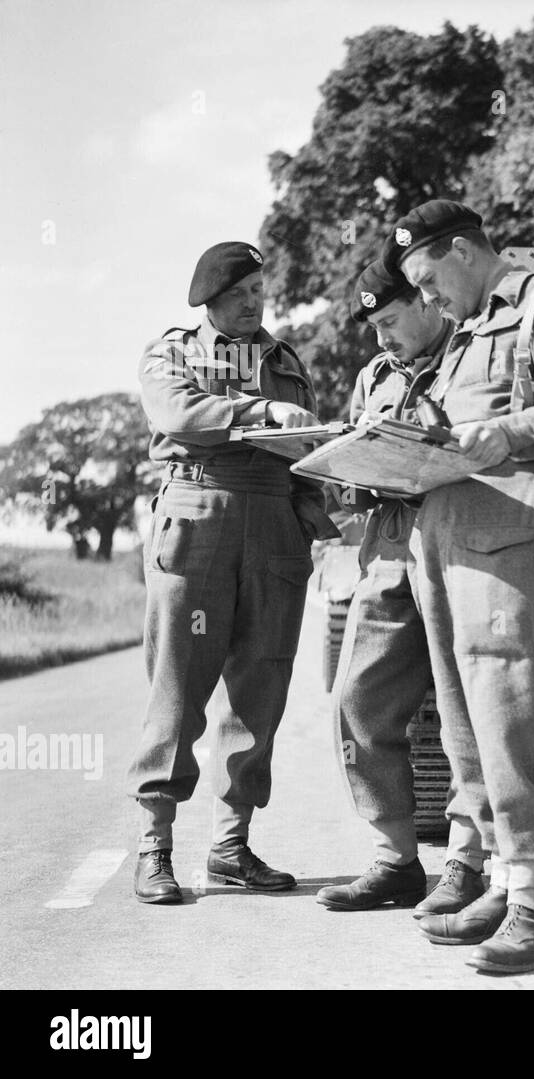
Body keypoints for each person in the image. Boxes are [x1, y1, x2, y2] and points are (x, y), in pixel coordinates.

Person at [385, 200, 534, 973]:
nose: (425, 300)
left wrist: (511, 432)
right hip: (445, 536)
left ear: (461, 250)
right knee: (463, 724)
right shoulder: (464, 330)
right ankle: (499, 876)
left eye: (426, 280)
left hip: (512, 537)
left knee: (508, 711)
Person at [129, 241, 339, 904]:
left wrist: (318, 523)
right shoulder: (174, 352)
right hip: (198, 513)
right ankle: (154, 847)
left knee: (259, 693)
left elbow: (307, 451)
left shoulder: (286, 360)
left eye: (259, 291)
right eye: (242, 293)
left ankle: (229, 847)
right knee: (177, 689)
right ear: (209, 297)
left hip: (277, 524)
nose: (255, 303)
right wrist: (261, 413)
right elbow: (178, 414)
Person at [314, 259, 473, 911]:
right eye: (373, 326)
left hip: (456, 545)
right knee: (358, 700)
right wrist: (346, 474)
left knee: (465, 711)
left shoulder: (469, 359)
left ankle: (466, 858)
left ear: (426, 304)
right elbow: (358, 465)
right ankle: (396, 858)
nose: (381, 339)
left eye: (389, 321)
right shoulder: (376, 377)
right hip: (386, 547)